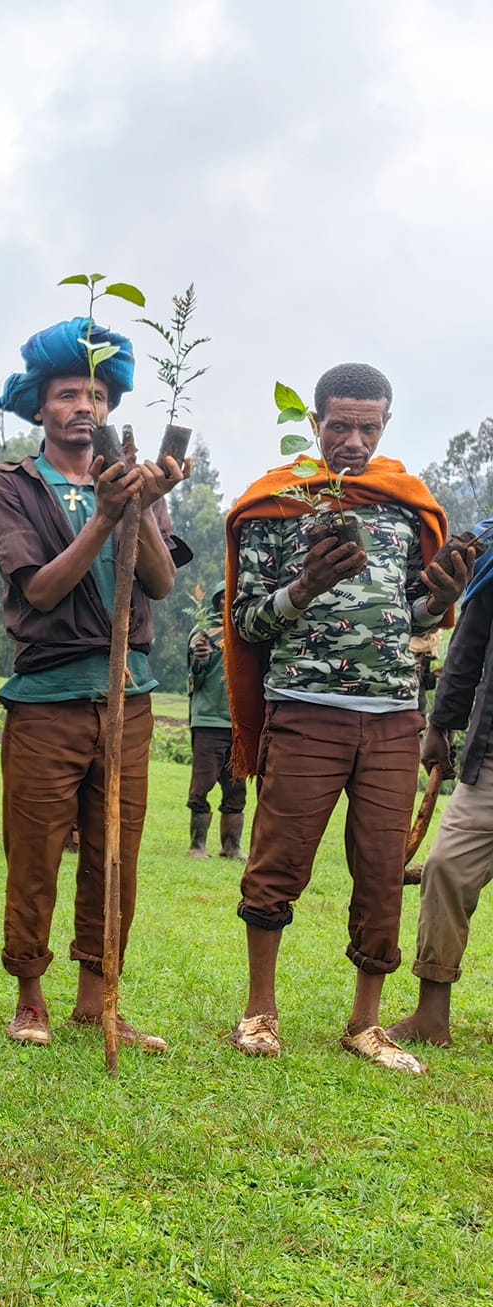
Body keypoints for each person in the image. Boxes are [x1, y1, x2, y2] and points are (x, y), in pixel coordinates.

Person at [225, 364, 471, 1074]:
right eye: (340, 426)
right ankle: (259, 1012)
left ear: (385, 426)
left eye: (369, 427)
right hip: (307, 711)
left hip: (394, 715)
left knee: (380, 870)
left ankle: (367, 1024)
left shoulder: (401, 508)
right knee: (279, 861)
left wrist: (438, 599)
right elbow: (246, 619)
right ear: (315, 424)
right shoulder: (282, 506)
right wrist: (302, 587)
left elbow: (412, 617)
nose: (354, 441)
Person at [0, 318, 190, 1051]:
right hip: (47, 700)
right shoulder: (11, 487)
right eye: (68, 394)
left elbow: (158, 583)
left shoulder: (135, 479)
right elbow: (37, 593)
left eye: (96, 395)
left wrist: (139, 507)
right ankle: (31, 998)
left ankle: (99, 1000)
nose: (82, 408)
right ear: (40, 407)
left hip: (127, 697)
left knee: (117, 852)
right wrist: (103, 519)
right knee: (34, 851)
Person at [391, 546, 493, 1049]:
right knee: (447, 867)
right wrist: (442, 725)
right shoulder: (492, 556)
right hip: (491, 757)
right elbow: (468, 650)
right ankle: (431, 1016)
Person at [185, 585, 246, 859]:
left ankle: (231, 846)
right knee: (202, 785)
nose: (227, 601)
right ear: (215, 601)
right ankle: (197, 845)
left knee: (236, 789)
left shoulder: (250, 631)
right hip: (209, 720)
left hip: (240, 725)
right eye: (222, 596)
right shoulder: (203, 634)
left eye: (232, 595)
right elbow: (193, 679)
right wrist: (201, 661)